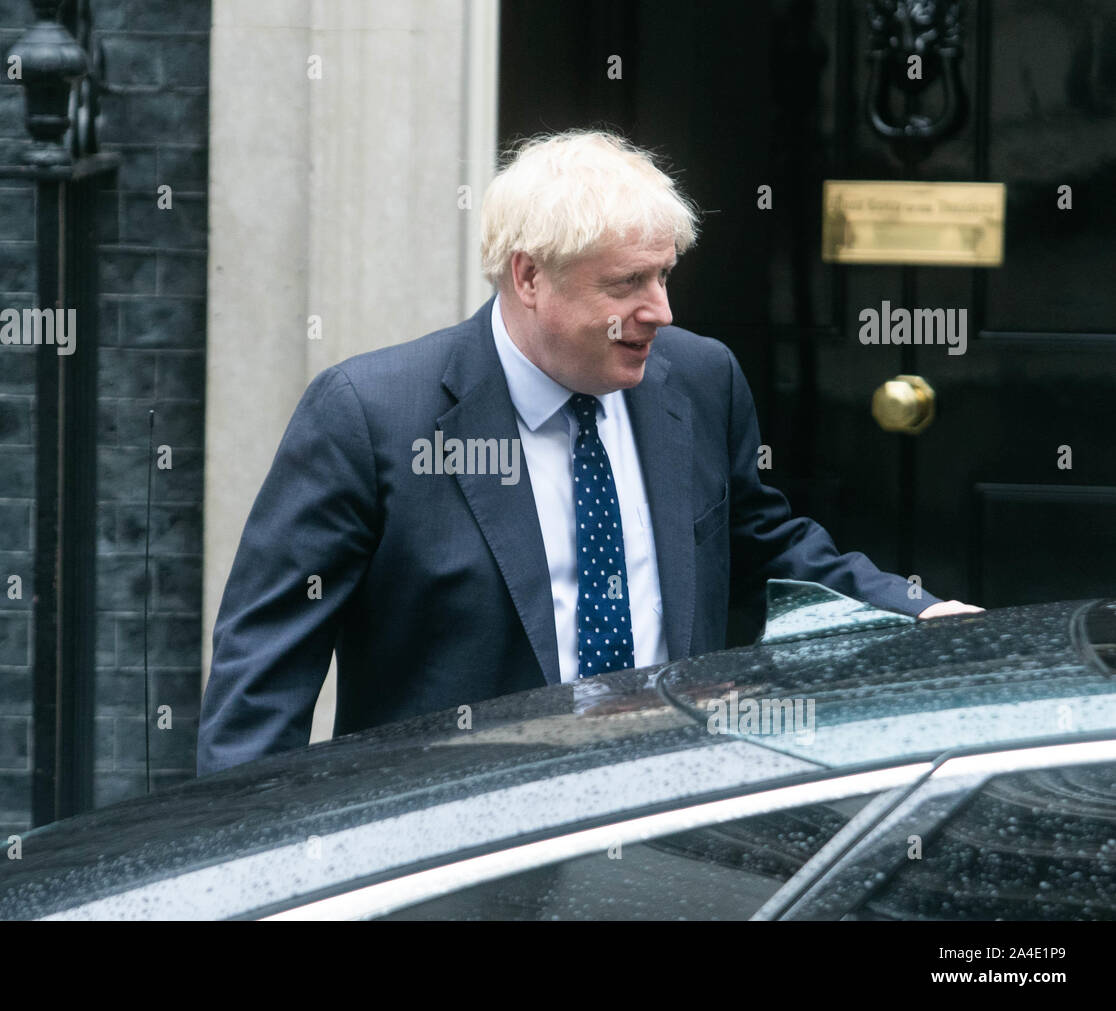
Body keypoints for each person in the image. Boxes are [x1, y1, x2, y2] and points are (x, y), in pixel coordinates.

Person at [197, 130, 982, 775]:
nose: (660, 311)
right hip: (448, 856)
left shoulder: (700, 381)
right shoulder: (370, 416)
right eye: (626, 284)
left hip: (668, 829)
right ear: (530, 277)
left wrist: (917, 612)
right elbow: (264, 670)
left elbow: (762, 544)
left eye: (666, 276)